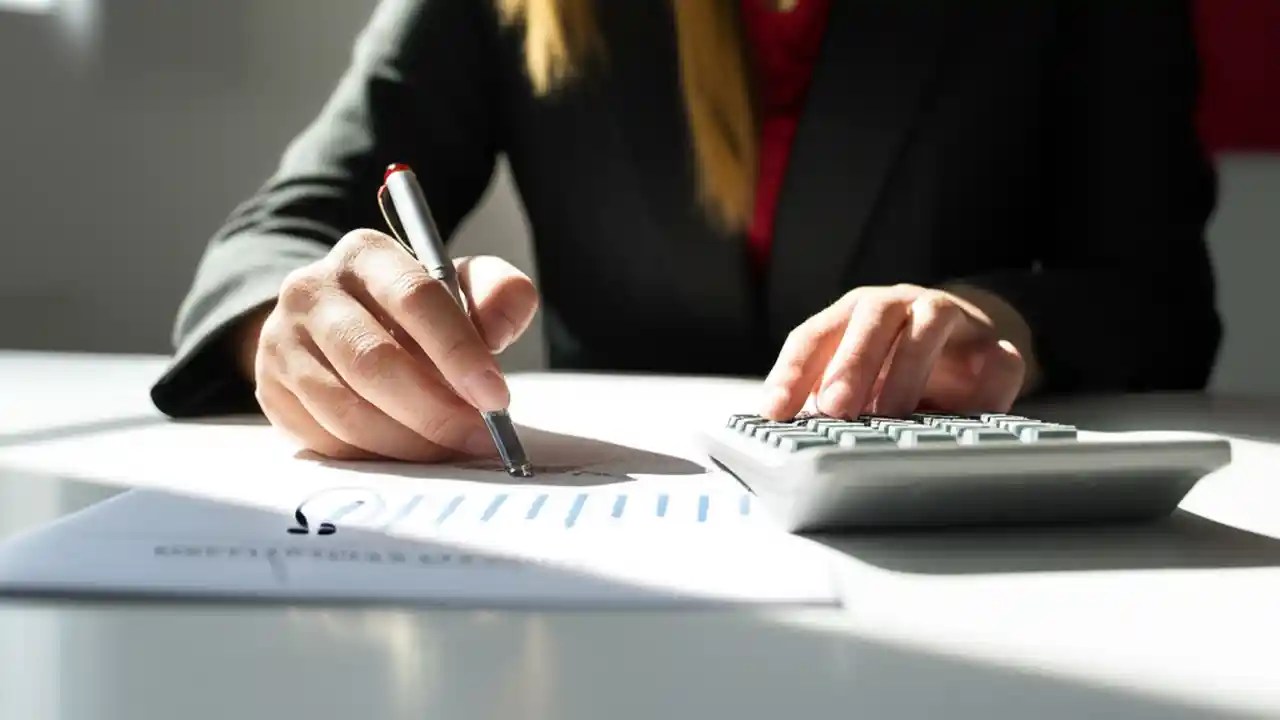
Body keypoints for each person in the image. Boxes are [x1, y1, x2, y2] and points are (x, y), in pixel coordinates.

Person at [150, 0, 1221, 463]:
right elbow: (282, 235)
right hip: (599, 532)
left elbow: (1160, 300)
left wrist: (997, 322)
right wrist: (299, 331)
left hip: (965, 557)